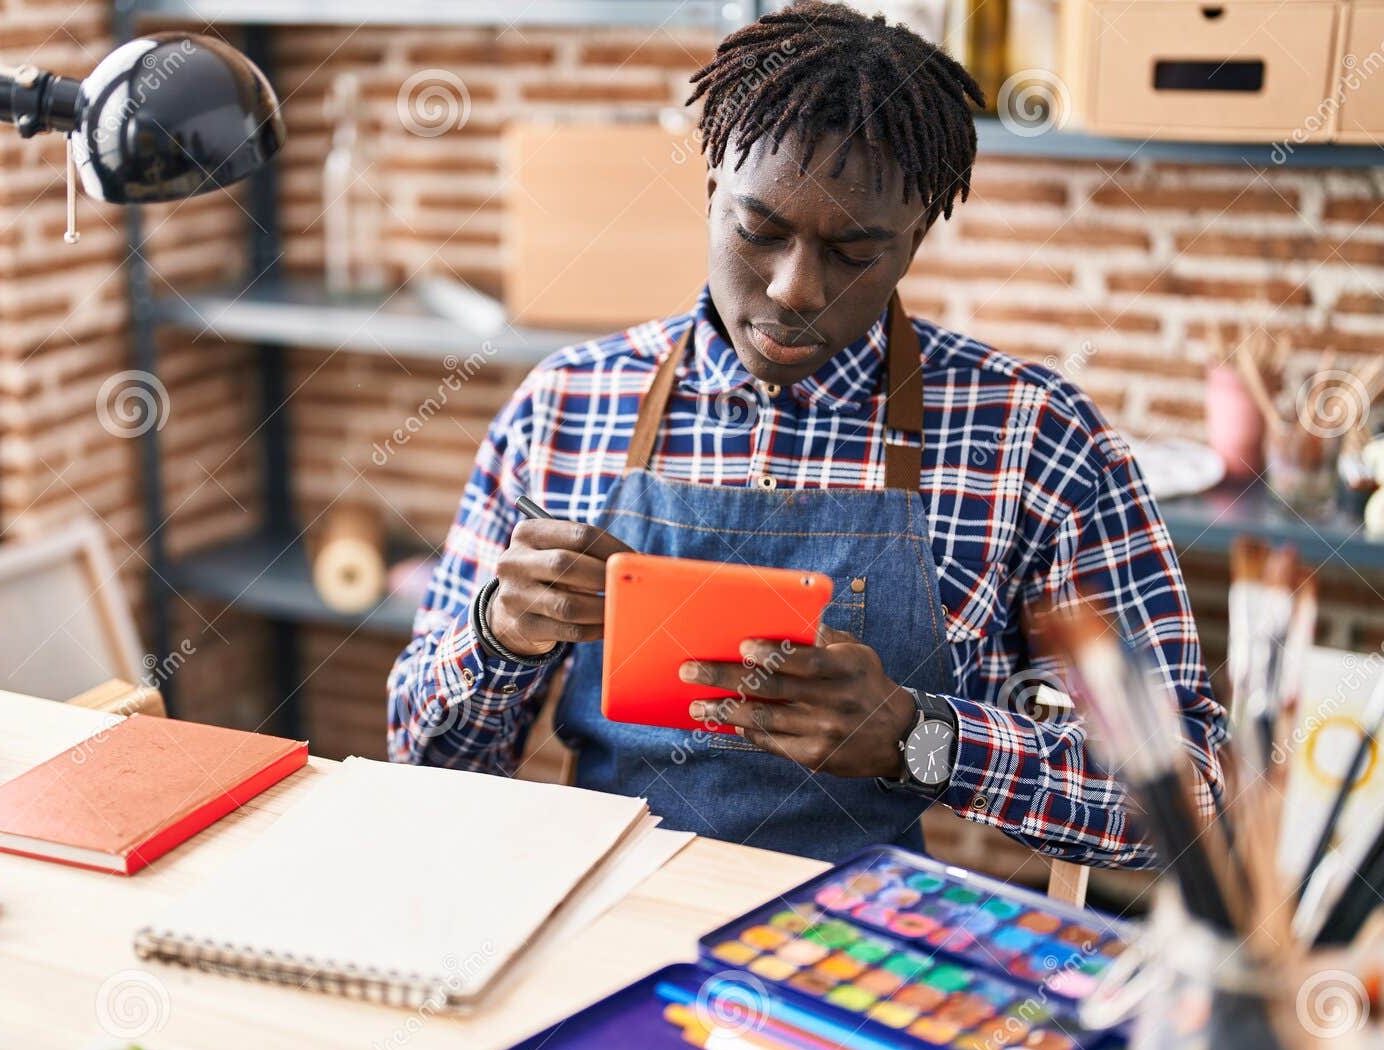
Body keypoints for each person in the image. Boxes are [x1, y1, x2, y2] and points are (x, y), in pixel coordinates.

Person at [388, 2, 1225, 866]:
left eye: (853, 252)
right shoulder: (566, 404)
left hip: (856, 936)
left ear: (913, 243)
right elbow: (424, 758)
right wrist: (499, 634)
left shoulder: (1034, 437)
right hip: (608, 910)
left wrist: (921, 740)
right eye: (760, 231)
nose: (794, 288)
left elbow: (1190, 794)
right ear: (713, 198)